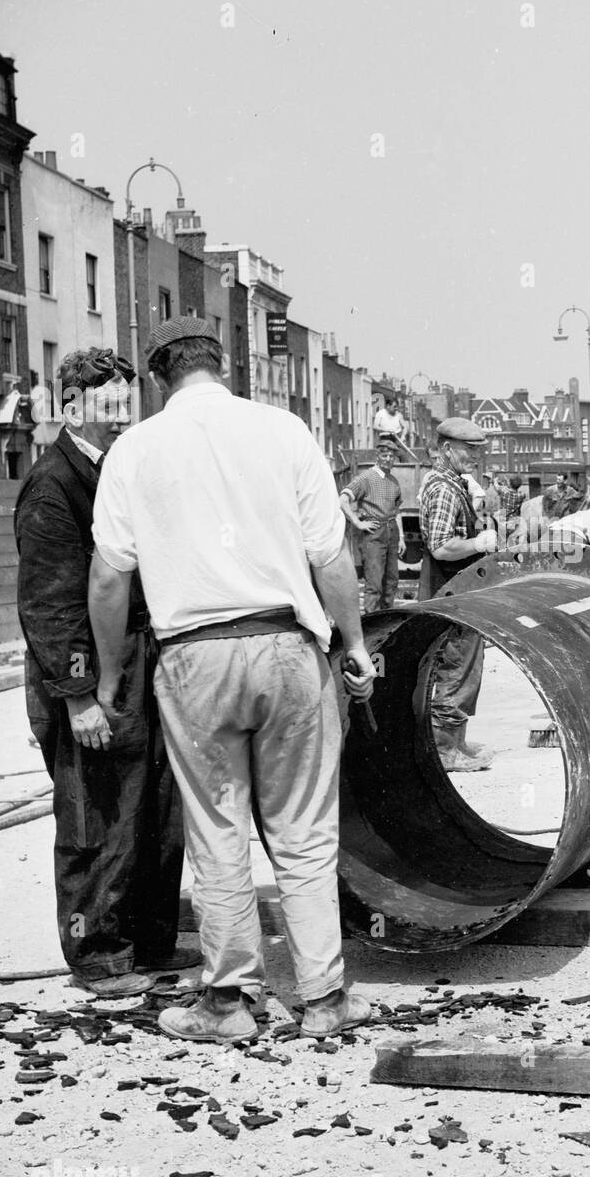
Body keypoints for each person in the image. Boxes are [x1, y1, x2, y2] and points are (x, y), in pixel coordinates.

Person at [88, 317, 376, 1044]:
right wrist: (355, 642)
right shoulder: (283, 431)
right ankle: (324, 998)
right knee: (305, 830)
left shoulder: (133, 449)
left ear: (159, 376)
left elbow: (107, 577)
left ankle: (226, 1003)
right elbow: (331, 557)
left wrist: (112, 676)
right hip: (287, 644)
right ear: (222, 366)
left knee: (217, 830)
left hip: (193, 655)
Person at [14, 347, 192, 999]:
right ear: (70, 408)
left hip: (143, 657)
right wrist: (80, 696)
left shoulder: (125, 472)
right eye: (106, 406)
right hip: (88, 671)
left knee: (156, 812)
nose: (121, 418)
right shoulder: (53, 484)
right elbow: (50, 603)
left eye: (127, 404)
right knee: (97, 814)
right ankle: (99, 956)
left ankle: (149, 941)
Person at [417, 418, 499, 773]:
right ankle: (444, 747)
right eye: (469, 450)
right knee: (456, 662)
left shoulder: (454, 483)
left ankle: (457, 740)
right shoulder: (445, 489)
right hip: (448, 586)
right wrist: (478, 544)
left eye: (478, 450)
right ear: (447, 449)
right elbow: (440, 546)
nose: (475, 457)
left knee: (466, 661)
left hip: (457, 587)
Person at [339, 440, 403, 612]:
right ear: (378, 456)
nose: (388, 459)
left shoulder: (393, 481)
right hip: (374, 533)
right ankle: (371, 625)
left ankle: (387, 622)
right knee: (374, 583)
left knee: (391, 581)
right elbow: (343, 499)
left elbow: (397, 511)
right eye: (385, 455)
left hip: (392, 531)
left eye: (392, 456)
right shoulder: (366, 477)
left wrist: (402, 538)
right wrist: (358, 522)